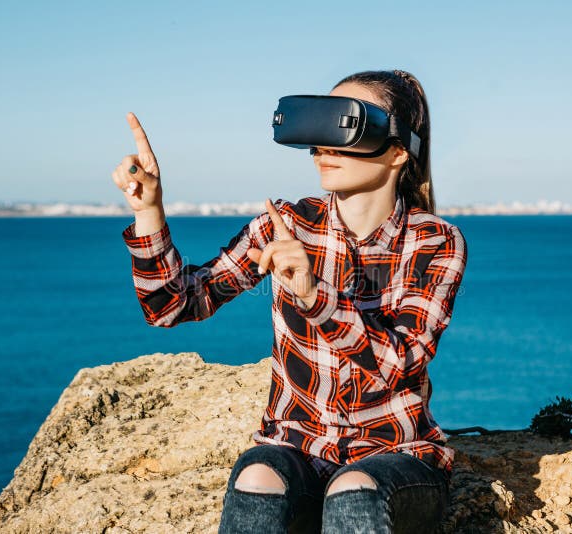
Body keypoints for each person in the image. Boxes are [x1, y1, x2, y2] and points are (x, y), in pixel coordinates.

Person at [111, 69, 468, 533]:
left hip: (397, 458)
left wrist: (314, 296)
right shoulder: (284, 224)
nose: (323, 147)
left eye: (343, 128)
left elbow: (399, 363)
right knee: (257, 477)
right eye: (318, 130)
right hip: (295, 449)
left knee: (353, 492)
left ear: (398, 151)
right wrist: (149, 210)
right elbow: (172, 305)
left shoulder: (435, 242)